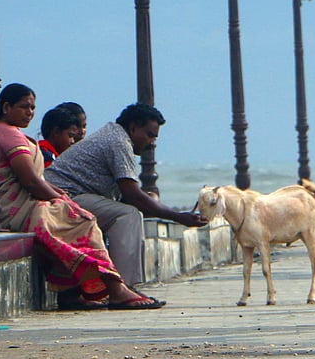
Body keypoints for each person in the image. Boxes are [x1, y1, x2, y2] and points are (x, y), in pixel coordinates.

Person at [0, 83, 163, 310]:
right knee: (80, 221)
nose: (30, 112)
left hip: (14, 206)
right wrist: (63, 200)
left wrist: (58, 195)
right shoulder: (9, 135)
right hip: (12, 209)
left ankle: (73, 293)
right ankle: (116, 289)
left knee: (73, 219)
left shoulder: (3, 133)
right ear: (6, 107)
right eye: (24, 107)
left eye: (33, 107)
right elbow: (31, 181)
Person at [46, 102, 207, 288]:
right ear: (133, 127)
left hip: (70, 198)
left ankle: (117, 286)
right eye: (150, 135)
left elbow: (129, 195)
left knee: (129, 211)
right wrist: (178, 216)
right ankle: (124, 288)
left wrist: (149, 201)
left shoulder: (114, 136)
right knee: (128, 215)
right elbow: (133, 197)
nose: (152, 143)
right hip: (63, 199)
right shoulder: (119, 142)